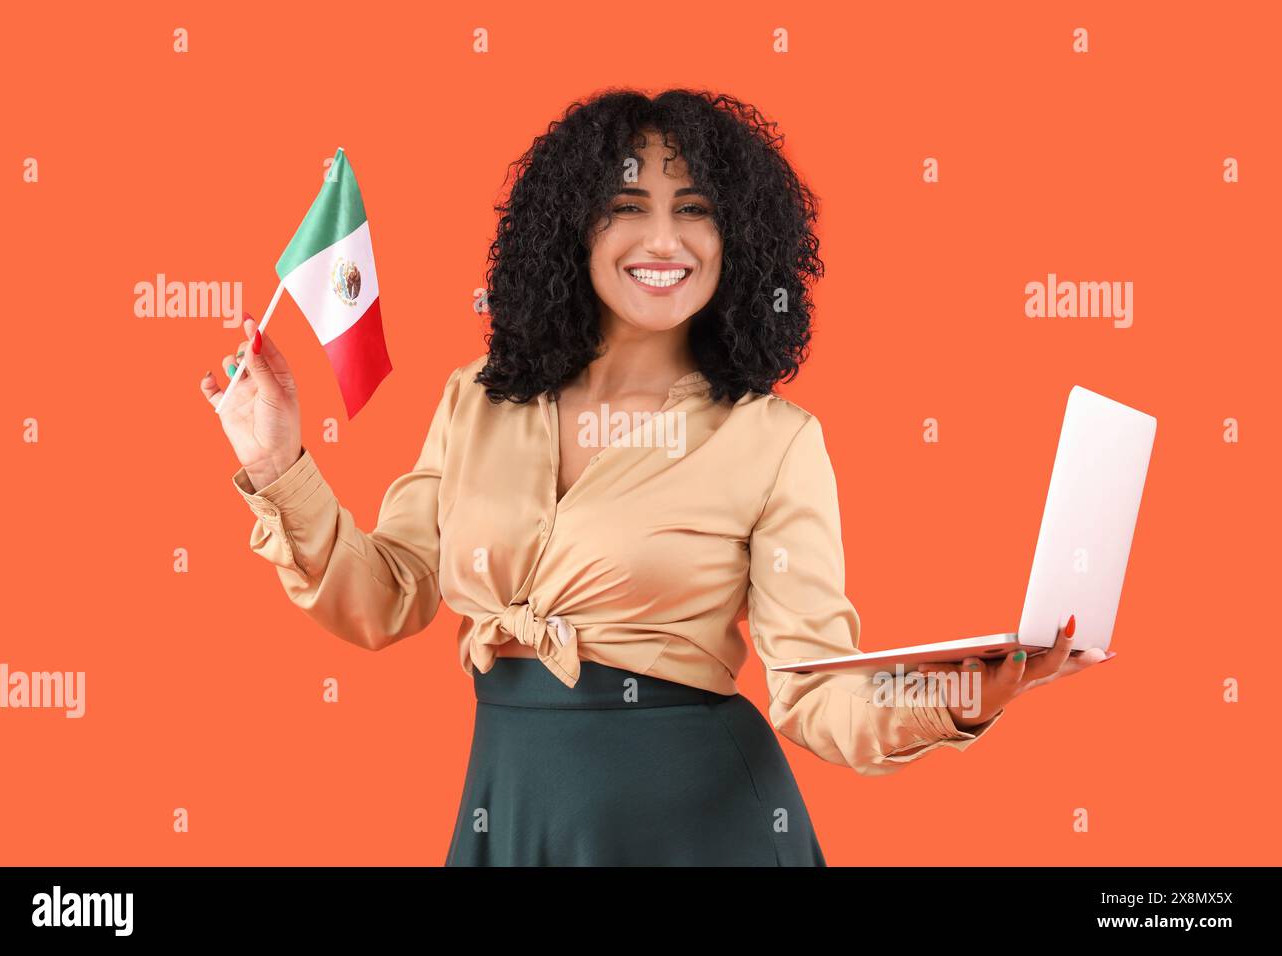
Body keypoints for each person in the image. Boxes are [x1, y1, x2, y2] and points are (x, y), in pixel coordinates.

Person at [199, 88, 1107, 866]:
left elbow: (814, 688)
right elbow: (385, 598)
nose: (663, 238)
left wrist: (954, 693)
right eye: (627, 205)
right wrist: (278, 460)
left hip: (702, 824)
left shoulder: (772, 440)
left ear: (737, 236)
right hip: (514, 811)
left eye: (696, 208)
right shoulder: (475, 400)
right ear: (572, 230)